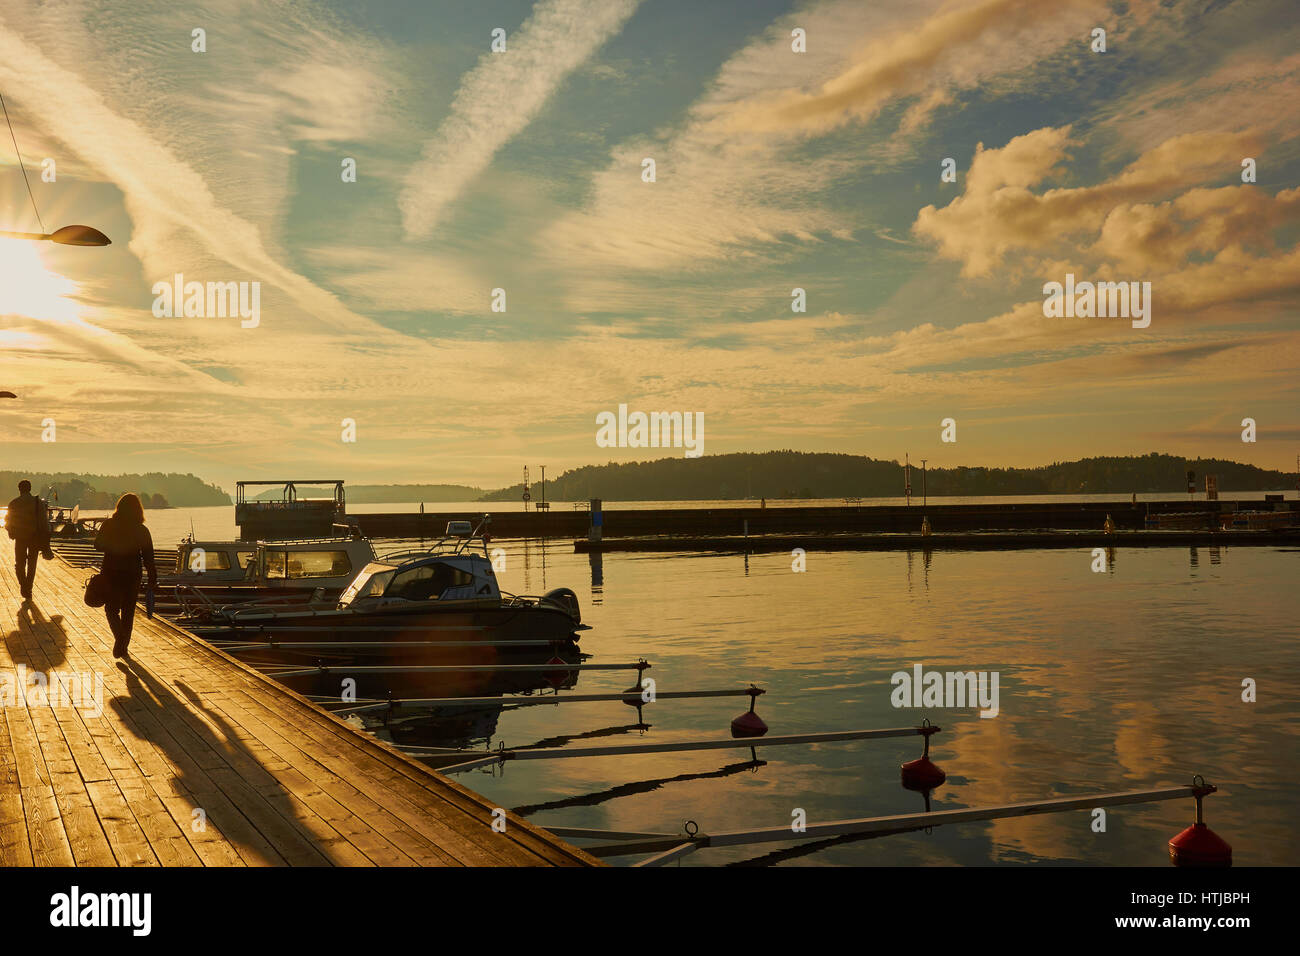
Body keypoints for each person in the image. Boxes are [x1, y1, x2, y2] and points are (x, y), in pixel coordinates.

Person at [94, 493, 157, 658]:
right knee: (128, 612)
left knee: (111, 609)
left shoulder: (109, 525)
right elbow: (149, 557)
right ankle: (122, 644)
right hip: (132, 574)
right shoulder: (142, 530)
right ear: (138, 510)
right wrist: (152, 579)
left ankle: (120, 640)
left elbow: (97, 545)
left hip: (111, 572)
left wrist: (113, 546)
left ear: (119, 507)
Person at [6, 479, 49, 601]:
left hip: (20, 538)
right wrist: (46, 537)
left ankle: (23, 585)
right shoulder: (37, 503)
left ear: (19, 489)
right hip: (35, 538)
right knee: (32, 564)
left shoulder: (14, 503)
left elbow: (8, 521)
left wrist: (11, 532)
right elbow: (43, 522)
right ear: (30, 489)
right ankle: (28, 587)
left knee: (19, 563)